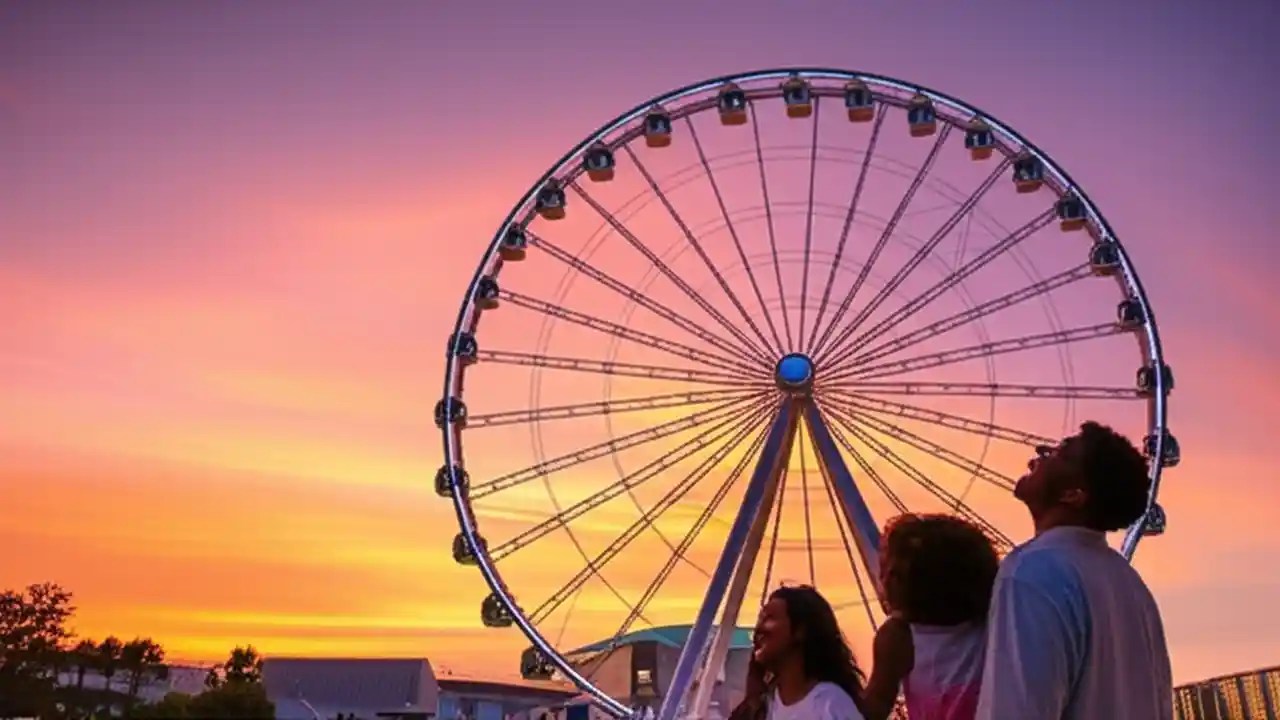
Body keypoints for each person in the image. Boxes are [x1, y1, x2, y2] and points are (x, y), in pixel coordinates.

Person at [975, 421, 1173, 719]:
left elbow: (1018, 707)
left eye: (1057, 454)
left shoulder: (1032, 572)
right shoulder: (1130, 585)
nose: (1039, 455)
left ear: (1073, 494)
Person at [862, 514, 1000, 720]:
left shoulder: (899, 637)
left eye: (890, 573)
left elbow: (874, 707)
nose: (884, 580)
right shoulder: (995, 621)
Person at [728, 584, 867, 720]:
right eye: (760, 619)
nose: (758, 629)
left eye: (769, 618)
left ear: (800, 631)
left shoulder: (829, 704)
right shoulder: (760, 708)